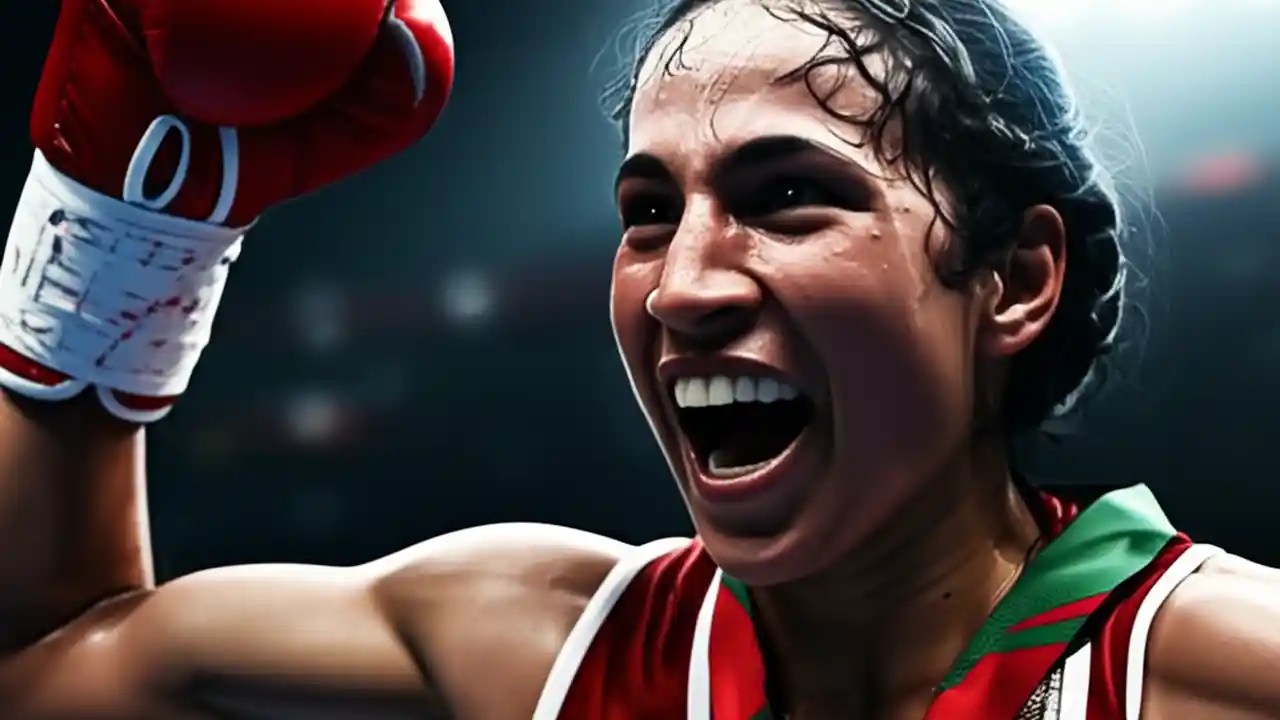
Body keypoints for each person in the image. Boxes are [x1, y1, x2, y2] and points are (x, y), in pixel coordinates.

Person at [0, 0, 1277, 718]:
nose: (681, 286)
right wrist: (124, 227)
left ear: (1011, 280)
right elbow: (54, 669)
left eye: (786, 196)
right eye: (649, 210)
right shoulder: (533, 637)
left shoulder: (1218, 674)